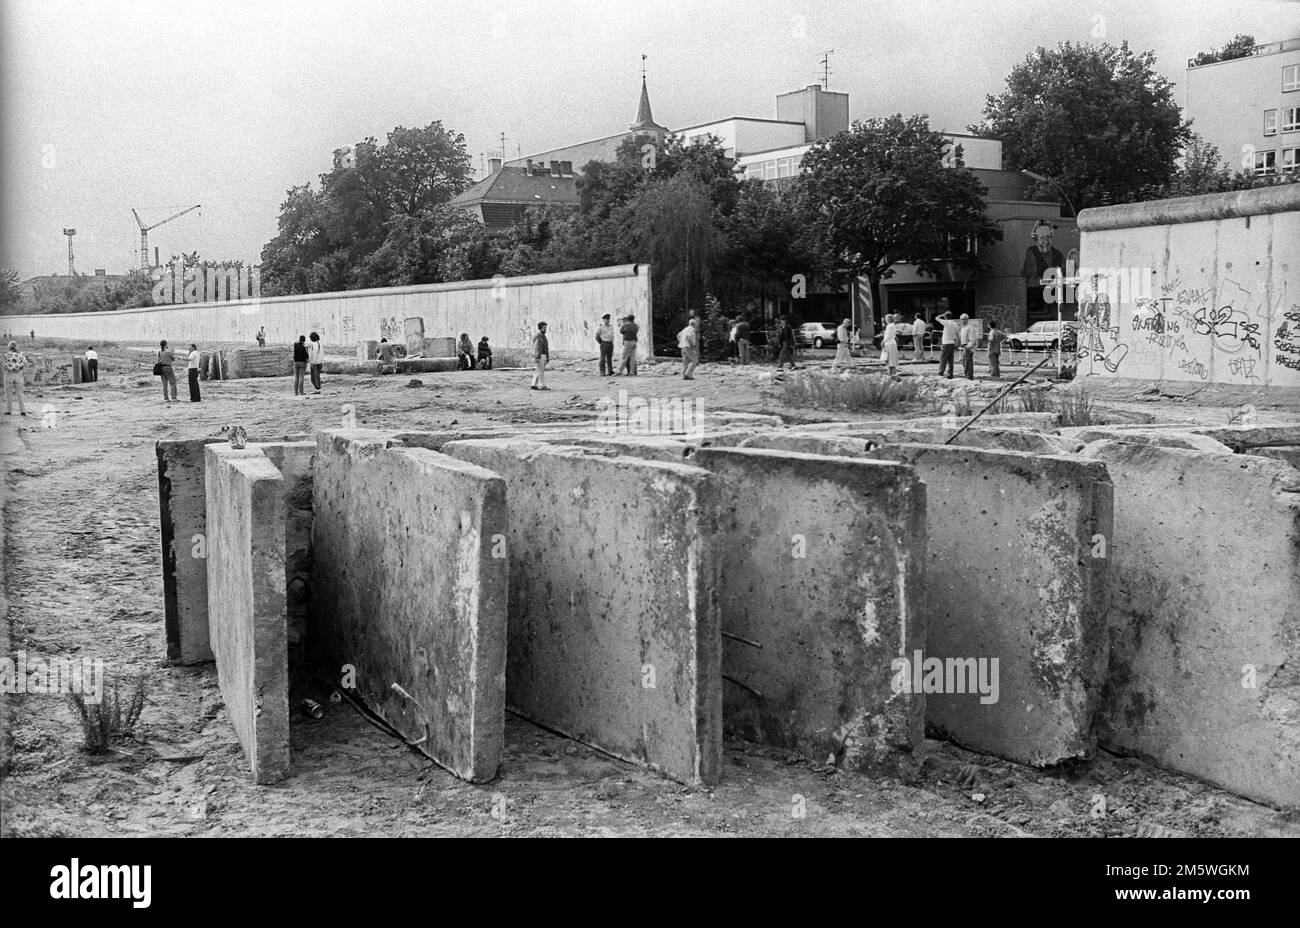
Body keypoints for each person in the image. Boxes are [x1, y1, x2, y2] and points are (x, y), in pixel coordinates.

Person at [3, 341, 29, 416]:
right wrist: (20, 370)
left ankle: (9, 410)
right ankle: (22, 411)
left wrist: (11, 367)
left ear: (9, 347)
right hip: (18, 375)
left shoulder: (6, 355)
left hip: (9, 375)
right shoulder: (21, 355)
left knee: (8, 394)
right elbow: (26, 364)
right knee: (20, 394)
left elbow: (5, 366)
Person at [936, 312, 959, 379]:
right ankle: (950, 374)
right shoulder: (955, 323)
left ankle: (941, 372)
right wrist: (957, 343)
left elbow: (936, 318)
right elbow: (957, 334)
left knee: (943, 358)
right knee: (950, 360)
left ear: (945, 317)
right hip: (952, 343)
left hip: (946, 343)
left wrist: (942, 314)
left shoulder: (946, 322)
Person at [531, 321, 549, 390]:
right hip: (539, 356)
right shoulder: (538, 336)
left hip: (543, 356)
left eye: (545, 328)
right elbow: (536, 347)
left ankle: (533, 384)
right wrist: (537, 357)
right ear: (540, 328)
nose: (545, 329)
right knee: (540, 372)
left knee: (537, 371)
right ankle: (542, 385)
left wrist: (547, 357)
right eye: (544, 328)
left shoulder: (543, 336)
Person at [959, 314, 976, 380]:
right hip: (964, 347)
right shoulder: (963, 328)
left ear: (967, 319)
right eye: (962, 319)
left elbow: (973, 339)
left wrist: (968, 347)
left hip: (968, 347)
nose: (962, 320)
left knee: (968, 362)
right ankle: (967, 375)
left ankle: (969, 376)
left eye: (964, 319)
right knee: (964, 362)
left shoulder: (970, 328)